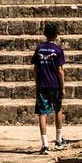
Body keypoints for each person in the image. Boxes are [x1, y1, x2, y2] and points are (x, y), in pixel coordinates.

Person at [33, 22, 67, 153]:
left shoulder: (39, 49)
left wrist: (37, 83)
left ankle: (45, 144)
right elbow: (60, 70)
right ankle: (59, 140)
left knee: (42, 113)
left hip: (42, 85)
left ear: (44, 34)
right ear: (56, 34)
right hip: (55, 85)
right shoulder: (58, 50)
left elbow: (35, 68)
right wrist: (63, 87)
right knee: (58, 110)